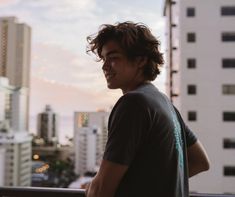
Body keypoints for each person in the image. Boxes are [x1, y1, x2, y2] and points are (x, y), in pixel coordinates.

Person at [85, 21, 210, 197]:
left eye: (113, 58)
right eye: (104, 59)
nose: (105, 66)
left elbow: (100, 191)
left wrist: (92, 186)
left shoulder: (133, 103)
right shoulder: (164, 102)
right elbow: (200, 161)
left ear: (140, 60)